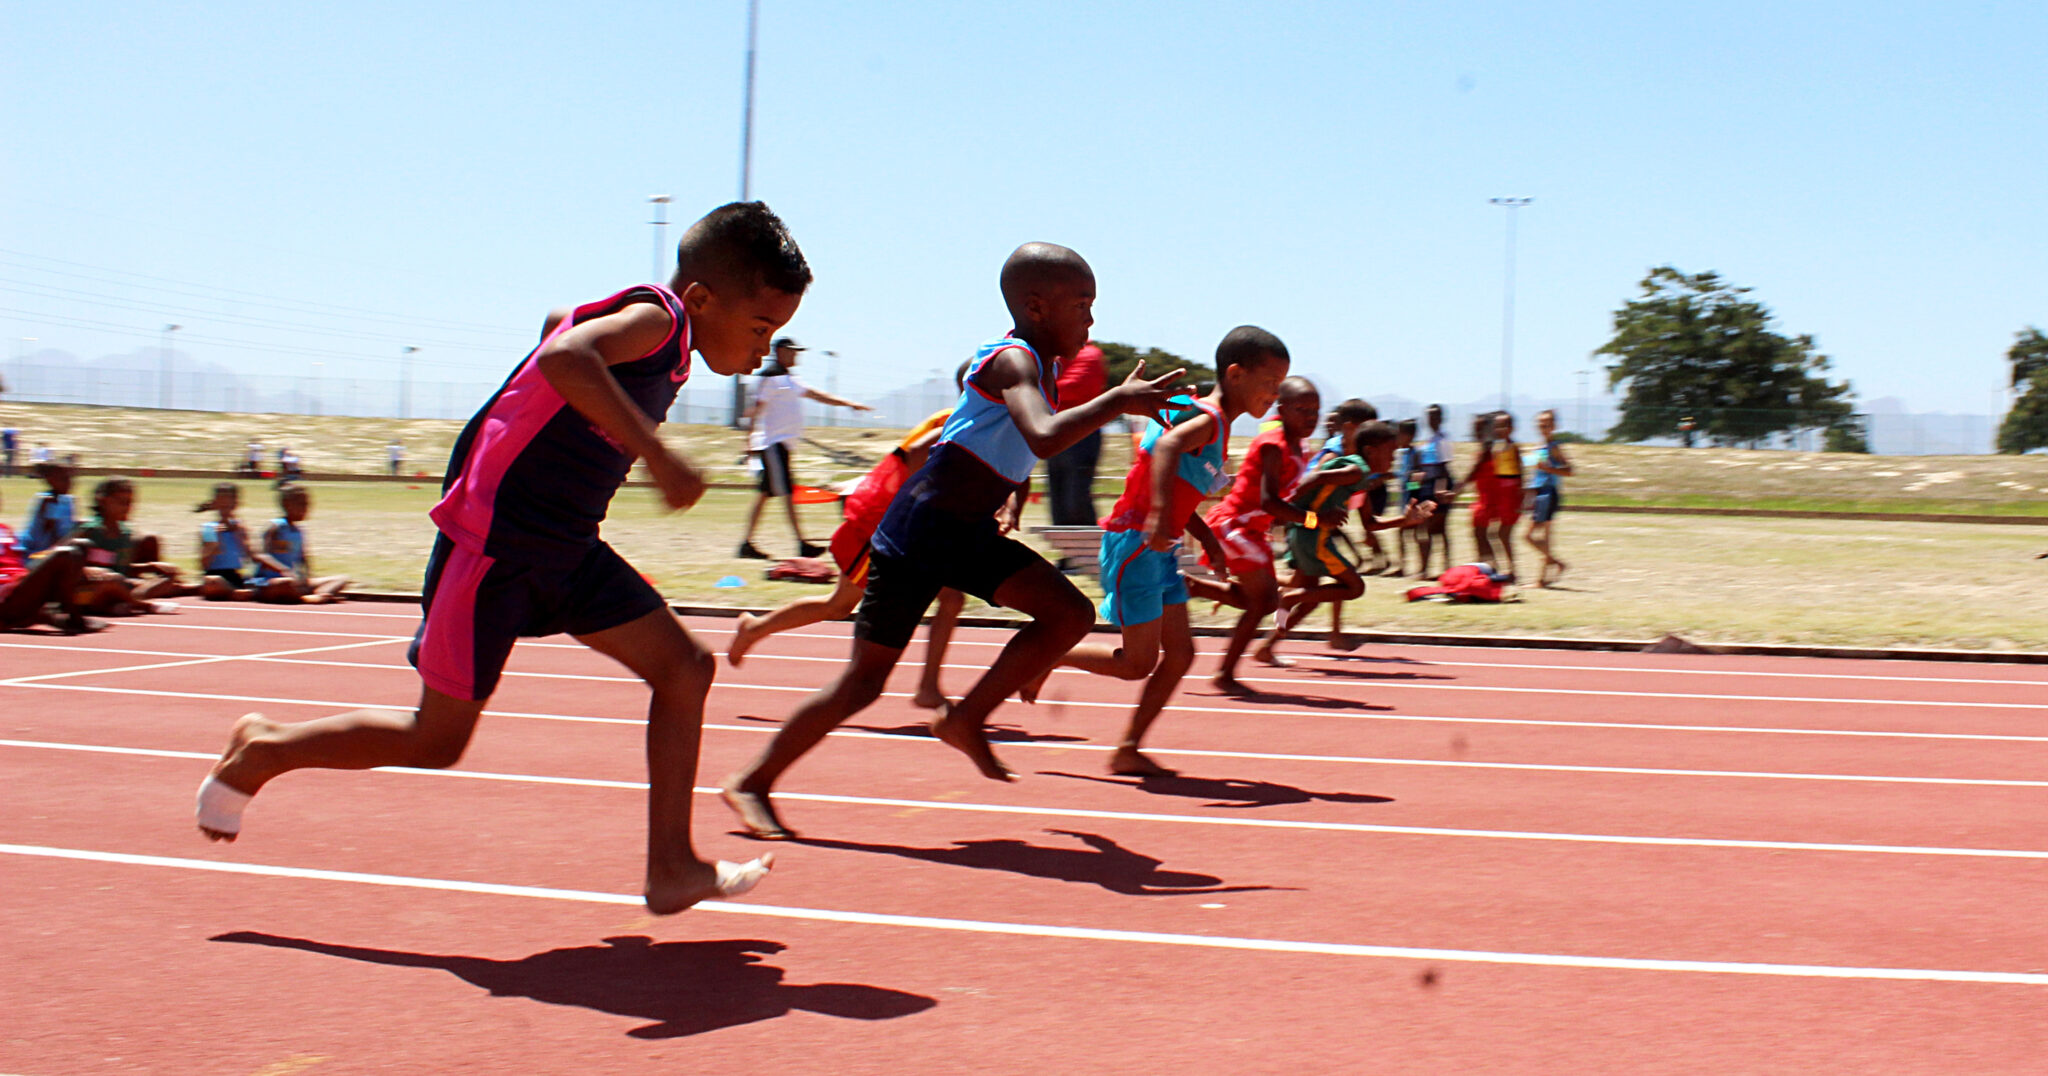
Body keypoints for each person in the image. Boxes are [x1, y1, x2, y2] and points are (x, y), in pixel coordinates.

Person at [193, 200, 810, 915]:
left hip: (566, 546)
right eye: (761, 327)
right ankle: (265, 749)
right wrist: (657, 455)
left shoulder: (662, 338)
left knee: (685, 667)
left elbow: (559, 324)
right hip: (496, 546)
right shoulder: (663, 320)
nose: (765, 349)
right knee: (436, 739)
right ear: (703, 298)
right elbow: (563, 353)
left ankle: (671, 865)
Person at [720, 242, 1184, 840]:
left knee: (1065, 614)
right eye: (1082, 305)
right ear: (1038, 306)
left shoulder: (1037, 367)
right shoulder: (1015, 362)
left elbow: (1009, 447)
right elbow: (1042, 435)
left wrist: (1011, 494)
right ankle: (754, 782)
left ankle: (964, 718)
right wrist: (1117, 401)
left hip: (947, 530)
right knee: (868, 682)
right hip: (924, 530)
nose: (1091, 320)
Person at [1042, 326, 1289, 776]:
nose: (1275, 395)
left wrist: (1208, 541)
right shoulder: (1209, 420)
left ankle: (1128, 748)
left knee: (1180, 655)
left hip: (1161, 549)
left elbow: (1179, 486)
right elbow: (1167, 449)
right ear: (1235, 374)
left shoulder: (1214, 425)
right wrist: (1157, 517)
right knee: (1138, 663)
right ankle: (1046, 656)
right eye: (1270, 383)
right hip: (1136, 542)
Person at [727, 365, 970, 713]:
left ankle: (927, 687)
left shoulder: (963, 419)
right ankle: (924, 687)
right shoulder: (958, 421)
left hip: (893, 518)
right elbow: (916, 455)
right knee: (851, 604)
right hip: (880, 520)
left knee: (938, 599)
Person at [1185, 374, 1322, 694]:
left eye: (1315, 411)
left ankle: (1192, 587)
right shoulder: (1273, 445)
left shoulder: (1300, 446)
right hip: (1235, 525)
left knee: (1260, 601)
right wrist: (1315, 520)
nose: (1310, 418)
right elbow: (1269, 501)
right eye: (1302, 410)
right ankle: (1224, 674)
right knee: (1264, 601)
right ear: (1282, 408)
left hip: (1253, 529)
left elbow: (1285, 496)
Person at [1257, 421, 1432, 663]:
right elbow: (1315, 477)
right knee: (1354, 587)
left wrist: (1404, 520)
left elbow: (1370, 523)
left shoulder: (1362, 479)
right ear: (1371, 451)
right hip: (1312, 536)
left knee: (1313, 600)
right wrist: (1283, 510)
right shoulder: (1356, 470)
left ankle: (1266, 647)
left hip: (1306, 534)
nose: (1393, 459)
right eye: (1390, 452)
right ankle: (1290, 597)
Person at [735, 336, 872, 560]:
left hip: (781, 446)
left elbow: (818, 395)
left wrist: (849, 404)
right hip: (773, 445)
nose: (796, 355)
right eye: (792, 351)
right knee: (787, 494)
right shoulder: (771, 378)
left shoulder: (790, 379)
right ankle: (800, 543)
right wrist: (749, 442)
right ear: (780, 351)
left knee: (765, 496)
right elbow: (756, 410)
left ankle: (747, 544)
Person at [74, 478, 190, 614]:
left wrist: (152, 566)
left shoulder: (125, 533)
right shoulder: (89, 530)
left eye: (130, 503)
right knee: (112, 580)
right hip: (89, 590)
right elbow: (67, 562)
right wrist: (88, 570)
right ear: (103, 501)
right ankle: (143, 606)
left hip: (119, 585)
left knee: (167, 580)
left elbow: (122, 567)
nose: (127, 508)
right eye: (121, 502)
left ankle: (127, 601)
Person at [0, 489, 100, 633]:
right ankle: (74, 618)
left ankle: (52, 613)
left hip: (18, 584)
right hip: (5, 599)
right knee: (64, 554)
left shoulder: (5, 530)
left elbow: (24, 559)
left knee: (80, 546)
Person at [251, 484, 352, 604]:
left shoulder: (299, 531)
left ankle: (319, 595)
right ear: (287, 505)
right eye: (302, 504)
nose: (306, 508)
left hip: (294, 581)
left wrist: (306, 577)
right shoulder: (275, 527)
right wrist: (283, 570)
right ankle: (308, 598)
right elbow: (258, 555)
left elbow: (303, 559)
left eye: (307, 504)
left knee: (342, 579)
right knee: (284, 583)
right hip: (269, 581)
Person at [1045, 340, 1108, 525]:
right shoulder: (1053, 355)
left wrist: (1038, 390)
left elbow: (1078, 388)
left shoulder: (1089, 354)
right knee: (1059, 502)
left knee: (1076, 500)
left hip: (1081, 432)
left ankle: (1088, 549)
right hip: (1056, 432)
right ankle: (1071, 550)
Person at [1461, 410, 1523, 581]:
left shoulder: (1491, 451)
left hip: (1494, 500)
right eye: (1475, 429)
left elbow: (1472, 473)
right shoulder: (1492, 449)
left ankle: (1493, 570)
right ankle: (1492, 569)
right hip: (1489, 499)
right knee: (1487, 535)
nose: (1476, 433)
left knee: (1487, 535)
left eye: (1480, 429)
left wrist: (1522, 495)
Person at [1523, 408, 1574, 587]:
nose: (1542, 427)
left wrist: (1548, 469)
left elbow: (1569, 470)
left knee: (1531, 536)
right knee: (1541, 537)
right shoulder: (1540, 447)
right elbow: (1535, 473)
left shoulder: (1554, 447)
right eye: (1540, 424)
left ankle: (1552, 567)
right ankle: (1545, 575)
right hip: (1540, 492)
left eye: (1546, 424)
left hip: (1549, 492)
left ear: (1553, 426)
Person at [1412, 403, 1455, 579]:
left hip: (1438, 487)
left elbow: (1445, 467)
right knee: (1430, 529)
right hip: (1427, 487)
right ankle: (1429, 568)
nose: (1432, 420)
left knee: (1436, 529)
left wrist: (1441, 488)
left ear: (1441, 419)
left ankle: (1438, 569)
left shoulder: (1443, 440)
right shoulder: (1428, 442)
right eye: (1430, 417)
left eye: (1435, 417)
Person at [195, 483, 257, 601]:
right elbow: (203, 563)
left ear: (235, 503)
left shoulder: (240, 528)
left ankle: (235, 591)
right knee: (213, 582)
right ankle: (235, 592)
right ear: (215, 503)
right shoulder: (209, 528)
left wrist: (240, 537)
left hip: (234, 574)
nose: (225, 502)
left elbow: (250, 557)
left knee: (256, 582)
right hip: (214, 574)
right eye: (221, 499)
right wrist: (215, 540)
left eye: (229, 499)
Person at [18, 461, 79, 555]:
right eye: (63, 479)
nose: (69, 483)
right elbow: (51, 534)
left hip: (59, 547)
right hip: (38, 551)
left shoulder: (68, 500)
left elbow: (69, 525)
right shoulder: (48, 500)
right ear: (50, 481)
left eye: (70, 478)